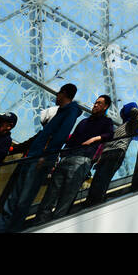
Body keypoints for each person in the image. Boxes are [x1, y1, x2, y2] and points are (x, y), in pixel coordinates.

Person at [0, 83, 82, 233]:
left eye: (58, 93)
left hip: (39, 159)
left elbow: (60, 136)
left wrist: (45, 156)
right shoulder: (61, 112)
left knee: (22, 200)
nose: (56, 95)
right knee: (15, 199)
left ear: (64, 93)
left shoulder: (70, 111)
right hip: (34, 157)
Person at [37, 94, 114, 222]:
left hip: (83, 159)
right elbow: (72, 139)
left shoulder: (107, 122)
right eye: (95, 102)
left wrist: (94, 139)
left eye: (99, 103)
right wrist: (63, 153)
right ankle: (40, 221)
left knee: (68, 195)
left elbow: (110, 135)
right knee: (51, 192)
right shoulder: (84, 121)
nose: (95, 105)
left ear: (106, 106)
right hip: (67, 157)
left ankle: (55, 224)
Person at [87, 102, 138, 205]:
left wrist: (131, 108)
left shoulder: (132, 124)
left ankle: (96, 202)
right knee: (97, 178)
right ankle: (90, 201)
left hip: (117, 151)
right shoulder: (122, 125)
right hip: (106, 153)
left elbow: (135, 115)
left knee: (103, 178)